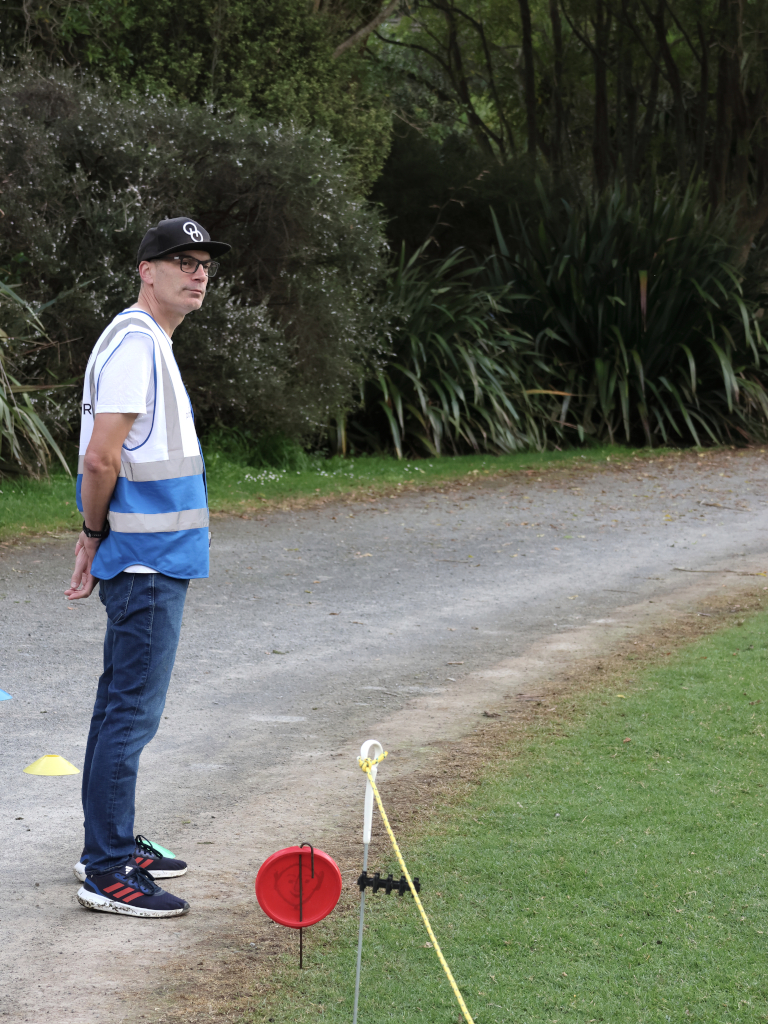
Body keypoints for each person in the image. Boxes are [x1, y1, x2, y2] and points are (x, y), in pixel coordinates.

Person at [65, 217, 230, 918]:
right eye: (180, 261)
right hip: (147, 565)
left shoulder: (142, 341)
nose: (196, 273)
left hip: (145, 560)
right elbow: (102, 458)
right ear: (146, 270)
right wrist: (92, 533)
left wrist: (96, 537)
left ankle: (110, 842)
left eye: (203, 264)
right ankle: (106, 870)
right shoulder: (137, 345)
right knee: (129, 717)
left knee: (117, 711)